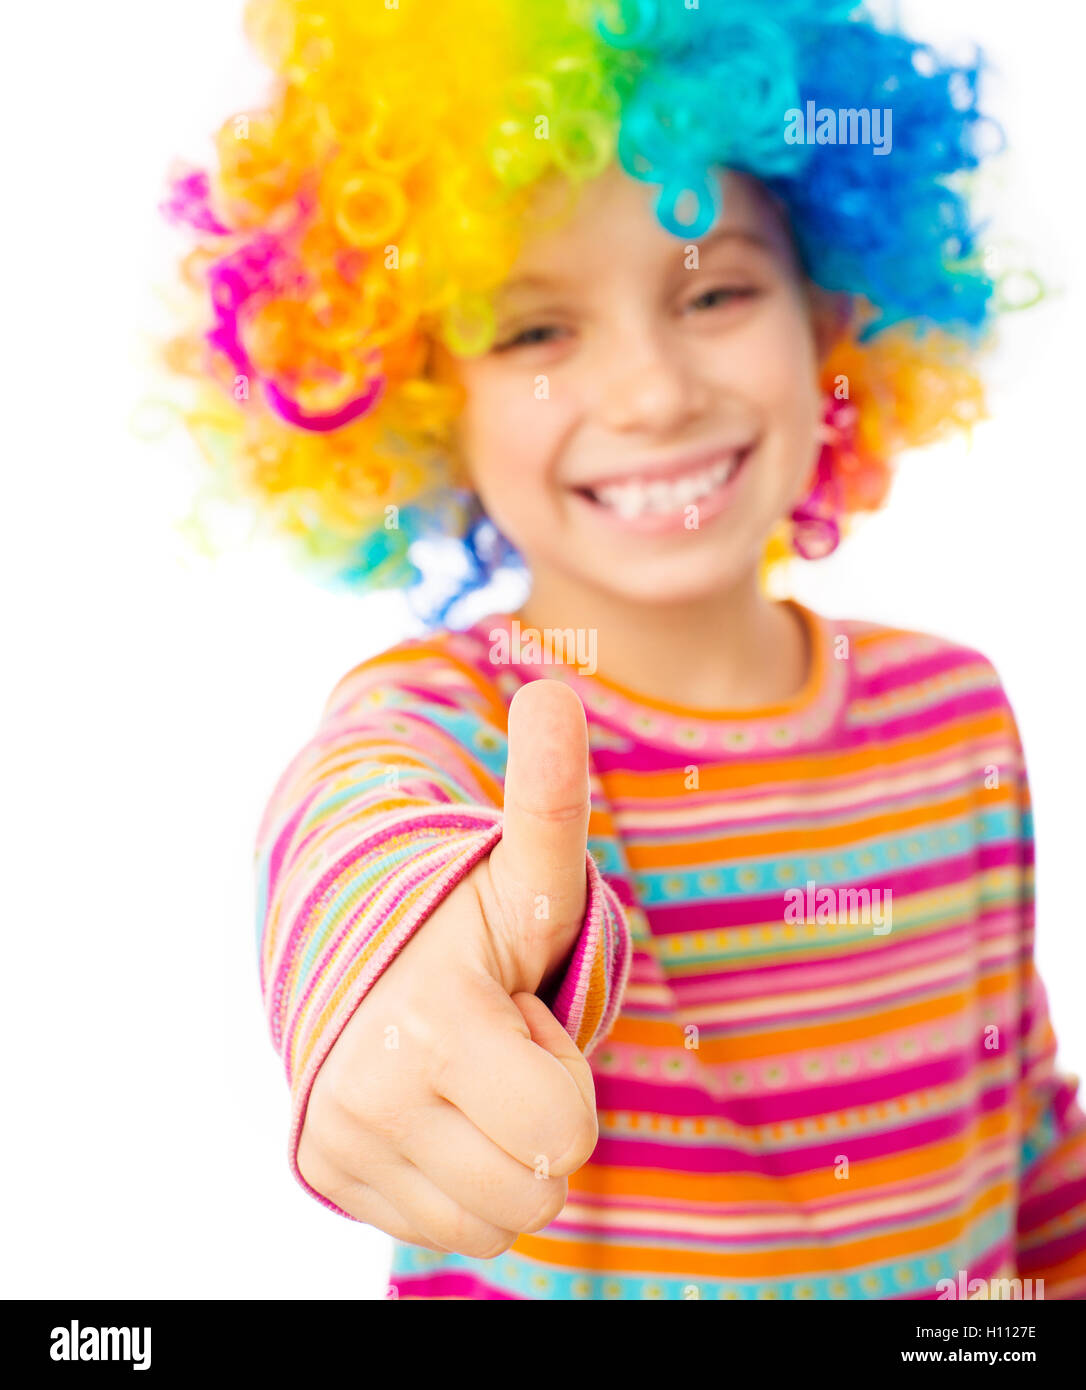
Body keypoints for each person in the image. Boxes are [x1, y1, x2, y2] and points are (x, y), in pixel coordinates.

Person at [162, 0, 1086, 1299]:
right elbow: (360, 845)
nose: (651, 393)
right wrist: (386, 978)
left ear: (828, 314)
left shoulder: (956, 710)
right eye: (534, 332)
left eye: (712, 291)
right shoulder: (452, 728)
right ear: (417, 391)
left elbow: (1022, 1127)